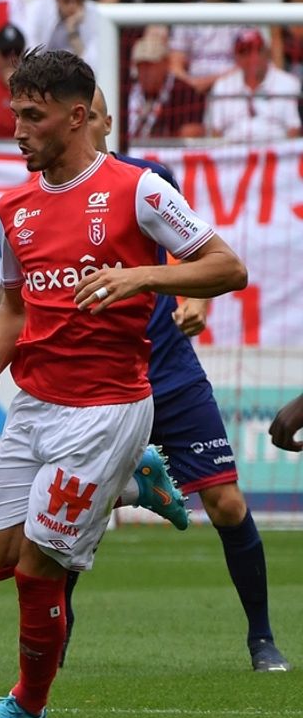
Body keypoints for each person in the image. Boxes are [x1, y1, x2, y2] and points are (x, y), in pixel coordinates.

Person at [0, 49, 247, 718]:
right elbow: (14, 305)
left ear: (78, 115)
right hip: (34, 405)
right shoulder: (14, 205)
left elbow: (226, 266)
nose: (19, 129)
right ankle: (126, 482)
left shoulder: (138, 189)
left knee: (37, 569)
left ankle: (27, 705)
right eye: (14, 114)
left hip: (107, 408)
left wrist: (141, 277)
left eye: (34, 116)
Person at [57, 86, 292, 674]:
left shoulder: (145, 179)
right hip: (97, 378)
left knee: (227, 502)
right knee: (69, 517)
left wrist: (195, 302)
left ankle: (262, 639)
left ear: (103, 119)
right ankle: (51, 647)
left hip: (167, 367)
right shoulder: (43, 199)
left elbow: (193, 254)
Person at [206, 29, 302, 142]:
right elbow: (215, 131)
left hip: (275, 152)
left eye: (257, 51)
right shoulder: (222, 86)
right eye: (245, 53)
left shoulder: (289, 83)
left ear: (267, 53)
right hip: (232, 153)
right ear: (236, 57)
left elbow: (294, 129)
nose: (252, 59)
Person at [127, 27, 205, 140]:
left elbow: (192, 133)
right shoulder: (127, 92)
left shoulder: (186, 93)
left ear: (165, 63)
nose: (145, 73)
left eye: (151, 66)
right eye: (141, 66)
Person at [24, 0, 99, 68]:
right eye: (66, 0)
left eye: (79, 0)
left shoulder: (94, 13)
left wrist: (73, 33)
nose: (72, 6)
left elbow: (93, 67)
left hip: (76, 75)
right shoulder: (37, 8)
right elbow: (29, 54)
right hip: (42, 73)